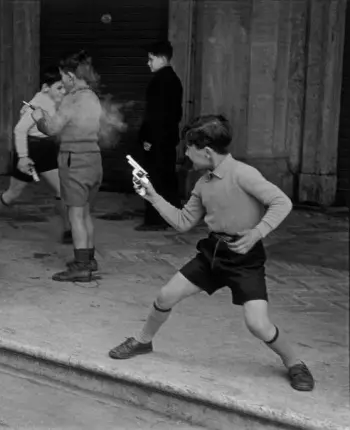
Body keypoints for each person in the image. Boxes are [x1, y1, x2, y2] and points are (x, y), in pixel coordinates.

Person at [108, 115, 315, 392]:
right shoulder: (202, 183)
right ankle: (143, 341)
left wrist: (256, 233)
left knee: (258, 325)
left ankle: (295, 363)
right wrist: (152, 196)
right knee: (165, 295)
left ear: (205, 151)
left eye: (188, 150)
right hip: (212, 253)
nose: (186, 155)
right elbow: (183, 222)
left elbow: (281, 201)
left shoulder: (243, 173)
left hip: (245, 259)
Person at [0, 66, 72, 244]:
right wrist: (23, 157)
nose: (63, 91)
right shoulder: (36, 106)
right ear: (46, 88)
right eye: (59, 87)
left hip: (47, 149)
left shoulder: (57, 102)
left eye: (65, 87)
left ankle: (69, 230)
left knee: (62, 191)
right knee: (13, 193)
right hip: (30, 151)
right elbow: (19, 130)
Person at [32, 51, 103, 282]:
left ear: (71, 76)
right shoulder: (92, 96)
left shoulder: (72, 99)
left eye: (63, 76)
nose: (62, 81)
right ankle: (89, 258)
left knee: (75, 215)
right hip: (93, 159)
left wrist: (38, 117)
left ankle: (81, 266)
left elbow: (52, 128)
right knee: (85, 213)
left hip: (75, 161)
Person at [137, 40, 183, 231]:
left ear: (162, 58)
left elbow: (155, 114)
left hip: (157, 139)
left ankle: (155, 219)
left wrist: (148, 138)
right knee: (167, 177)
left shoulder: (160, 81)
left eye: (151, 59)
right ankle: (172, 216)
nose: (148, 63)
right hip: (167, 138)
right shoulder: (174, 79)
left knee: (154, 178)